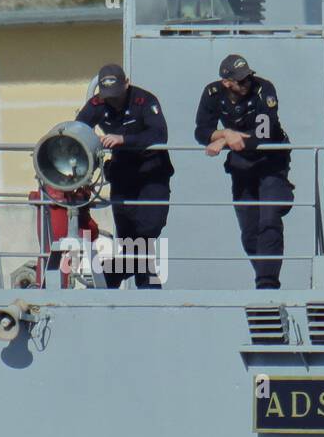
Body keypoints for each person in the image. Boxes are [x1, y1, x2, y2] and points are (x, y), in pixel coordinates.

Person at [194, 54, 294, 290]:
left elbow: (264, 134)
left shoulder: (263, 89)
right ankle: (263, 275)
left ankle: (267, 284)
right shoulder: (213, 94)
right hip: (242, 166)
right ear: (226, 82)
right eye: (241, 81)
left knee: (269, 220)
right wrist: (225, 135)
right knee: (249, 231)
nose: (247, 83)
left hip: (271, 160)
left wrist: (224, 141)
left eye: (248, 77)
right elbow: (201, 131)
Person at [76, 64, 173, 288]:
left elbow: (159, 134)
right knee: (130, 238)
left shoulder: (144, 100)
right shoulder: (97, 104)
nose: (113, 101)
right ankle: (148, 286)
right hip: (122, 175)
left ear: (127, 84)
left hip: (152, 173)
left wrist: (123, 139)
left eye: (117, 95)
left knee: (149, 228)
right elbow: (78, 130)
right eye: (108, 96)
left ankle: (110, 276)